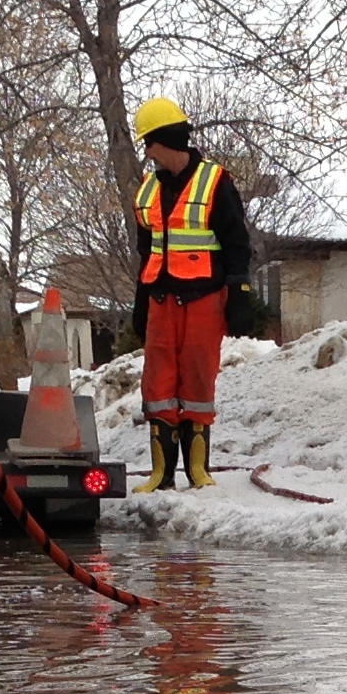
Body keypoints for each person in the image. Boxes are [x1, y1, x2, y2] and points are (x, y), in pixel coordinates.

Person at [129, 95, 255, 491]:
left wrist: (239, 293)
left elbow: (236, 242)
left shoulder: (215, 182)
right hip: (160, 299)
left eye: (149, 143)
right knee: (158, 384)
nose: (147, 153)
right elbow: (146, 251)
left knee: (198, 381)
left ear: (164, 140)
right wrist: (140, 299)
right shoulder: (148, 189)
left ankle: (198, 471)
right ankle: (161, 474)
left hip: (203, 297)